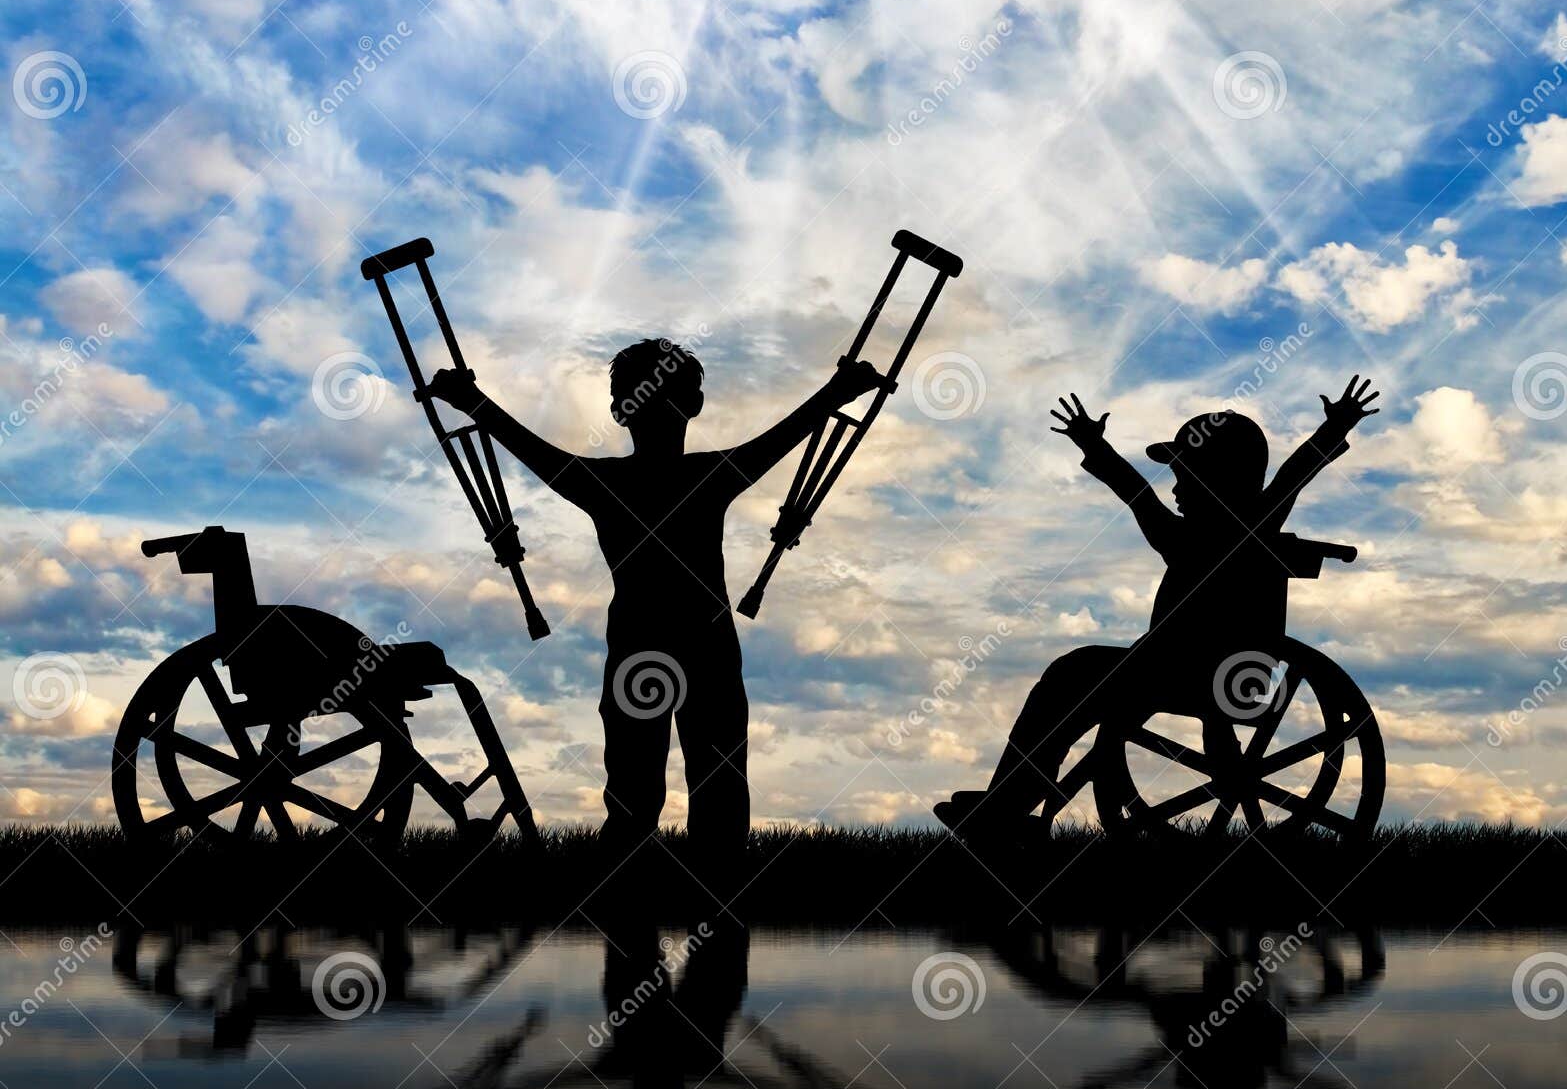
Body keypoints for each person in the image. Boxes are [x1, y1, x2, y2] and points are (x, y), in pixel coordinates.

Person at [427, 341, 883, 857]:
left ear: (620, 411)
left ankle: (624, 892)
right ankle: (717, 892)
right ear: (695, 405)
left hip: (638, 644)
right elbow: (779, 439)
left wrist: (472, 402)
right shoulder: (707, 476)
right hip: (706, 644)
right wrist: (836, 392)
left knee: (634, 787)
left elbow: (535, 452)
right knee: (715, 786)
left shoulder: (606, 483)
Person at [935, 376, 1380, 844]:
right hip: (1205, 672)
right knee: (1073, 678)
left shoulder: (1222, 531)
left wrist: (1336, 427)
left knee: (1072, 676)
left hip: (1190, 673)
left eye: (1185, 477)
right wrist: (1093, 445)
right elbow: (1146, 491)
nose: (1175, 489)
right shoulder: (1222, 530)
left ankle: (1011, 803)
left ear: (1219, 478)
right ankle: (1011, 802)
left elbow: (1148, 491)